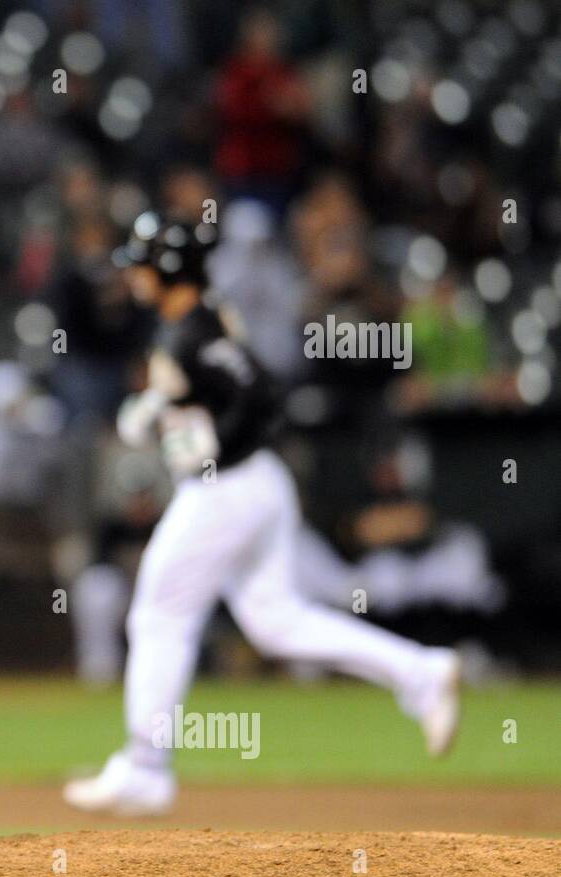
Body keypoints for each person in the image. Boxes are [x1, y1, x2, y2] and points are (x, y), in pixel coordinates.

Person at [63, 213, 461, 817]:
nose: (133, 275)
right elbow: (220, 389)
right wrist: (160, 406)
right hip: (249, 485)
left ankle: (146, 766)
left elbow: (262, 395)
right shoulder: (191, 322)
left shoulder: (192, 330)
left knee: (158, 613)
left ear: (166, 270)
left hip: (228, 487)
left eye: (141, 264)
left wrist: (210, 440)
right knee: (276, 622)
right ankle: (420, 673)